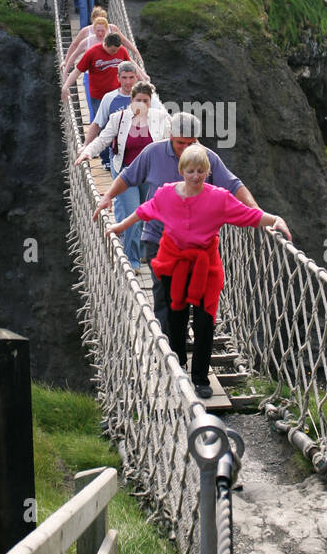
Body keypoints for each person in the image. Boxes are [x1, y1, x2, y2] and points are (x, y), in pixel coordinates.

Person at [107, 143, 291, 397]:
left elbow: (247, 215)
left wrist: (274, 219)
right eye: (191, 171)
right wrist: (119, 227)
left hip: (206, 265)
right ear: (181, 171)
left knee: (205, 320)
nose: (195, 176)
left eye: (200, 171)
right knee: (176, 316)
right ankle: (179, 363)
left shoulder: (219, 198)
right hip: (173, 262)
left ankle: (201, 378)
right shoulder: (165, 194)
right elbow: (143, 212)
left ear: (207, 172)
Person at [93, 112, 263, 336]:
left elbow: (233, 185)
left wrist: (256, 210)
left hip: (196, 245)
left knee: (192, 295)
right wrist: (107, 196)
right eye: (180, 142)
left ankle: (183, 344)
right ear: (170, 135)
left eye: (191, 143)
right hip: (157, 239)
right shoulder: (153, 153)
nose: (185, 147)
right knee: (164, 296)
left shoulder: (206, 158)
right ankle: (169, 349)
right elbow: (128, 176)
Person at [78, 82, 169, 268]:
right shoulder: (118, 118)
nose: (141, 104)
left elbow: (172, 142)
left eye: (145, 101)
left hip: (151, 175)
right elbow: (103, 139)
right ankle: (132, 261)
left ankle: (143, 252)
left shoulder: (160, 118)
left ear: (151, 102)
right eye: (138, 100)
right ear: (131, 100)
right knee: (132, 214)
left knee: (149, 216)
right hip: (127, 174)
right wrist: (88, 151)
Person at [61, 27, 127, 119]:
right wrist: (65, 86)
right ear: (106, 44)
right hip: (98, 97)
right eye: (113, 51)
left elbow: (132, 67)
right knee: (101, 123)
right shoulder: (92, 52)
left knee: (118, 121)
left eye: (117, 50)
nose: (115, 52)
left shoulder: (121, 50)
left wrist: (144, 81)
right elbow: (77, 71)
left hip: (116, 94)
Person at [64, 7, 140, 73]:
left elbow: (124, 41)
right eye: (97, 18)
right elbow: (74, 46)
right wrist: (66, 61)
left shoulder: (112, 28)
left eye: (103, 18)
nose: (100, 21)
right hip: (93, 65)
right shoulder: (86, 31)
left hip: (110, 64)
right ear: (92, 19)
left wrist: (135, 51)